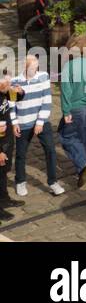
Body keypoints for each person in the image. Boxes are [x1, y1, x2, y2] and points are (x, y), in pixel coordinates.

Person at [59, 34, 86, 189]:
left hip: (75, 107)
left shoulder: (69, 66)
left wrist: (66, 110)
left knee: (67, 137)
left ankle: (83, 163)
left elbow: (66, 91)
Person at [0, 75, 24, 220]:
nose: (9, 86)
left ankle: (4, 198)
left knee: (3, 172)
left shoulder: (3, 91)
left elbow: (17, 97)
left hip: (6, 140)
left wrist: (20, 92)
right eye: (6, 84)